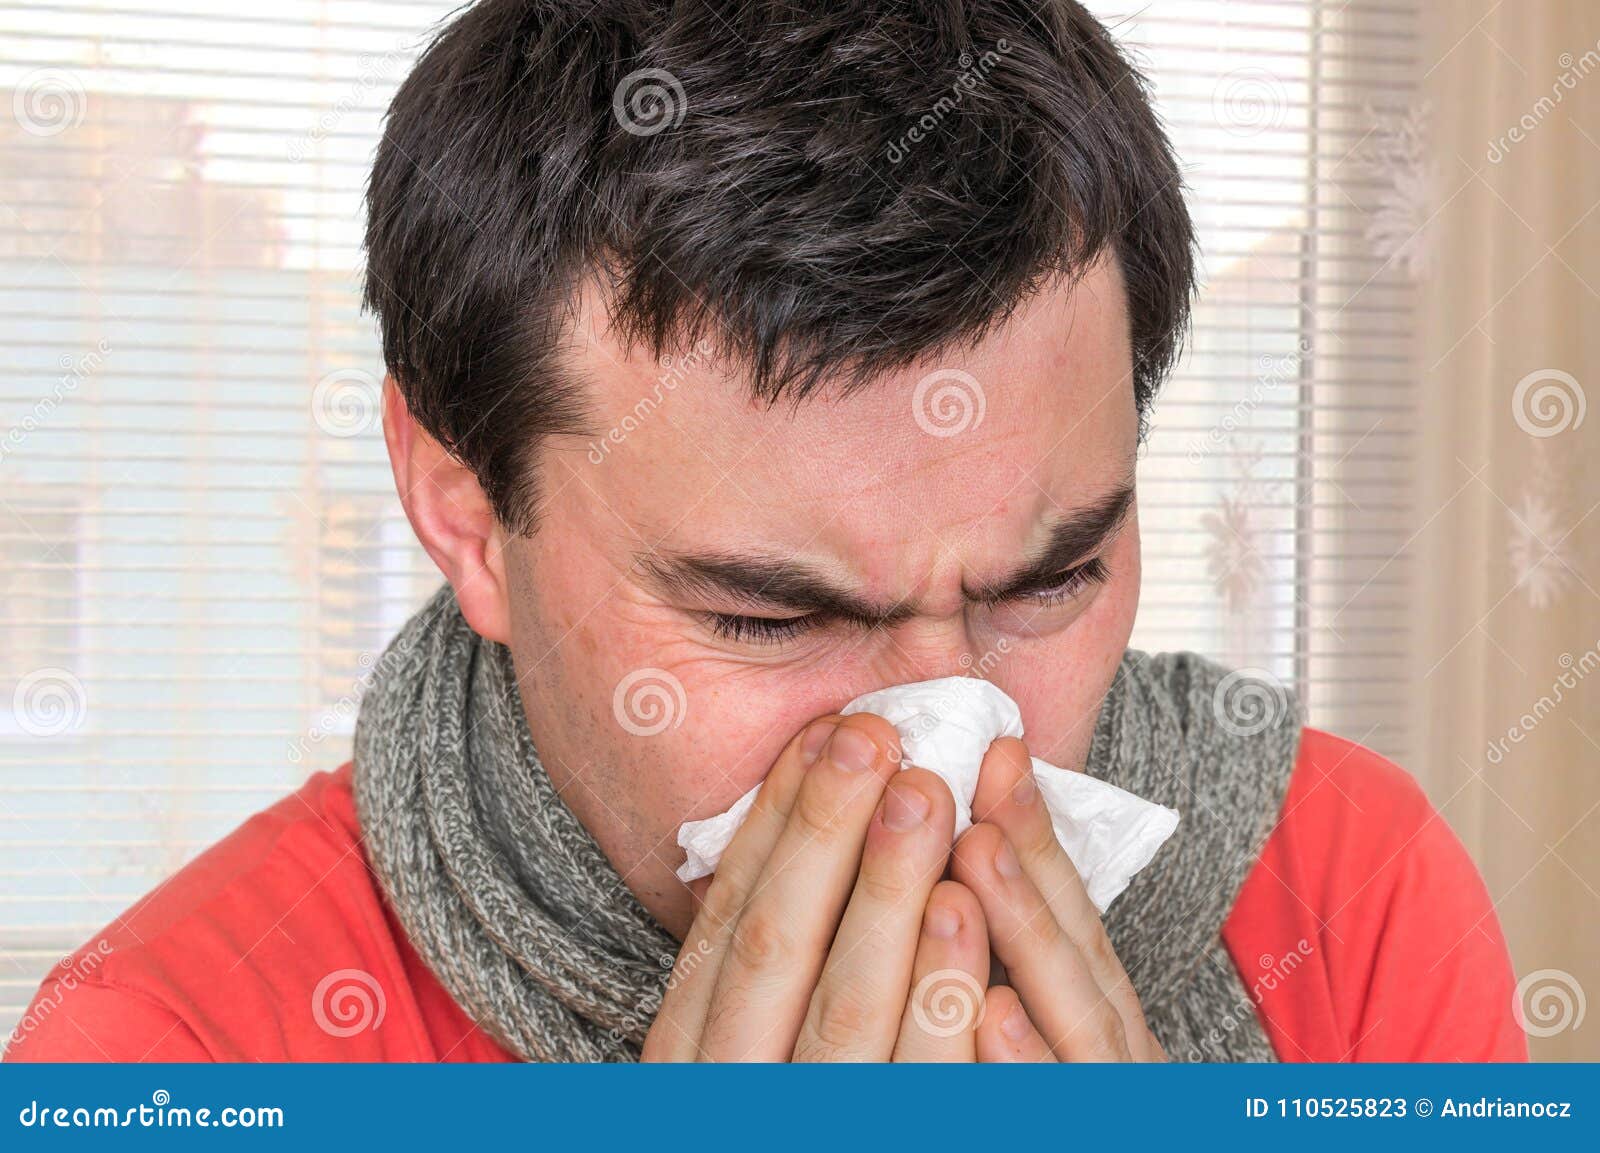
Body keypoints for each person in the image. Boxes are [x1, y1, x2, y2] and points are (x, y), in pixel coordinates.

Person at [8, 0, 1524, 1063]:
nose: (943, 741)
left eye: (1052, 577)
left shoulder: (1353, 890)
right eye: (766, 614)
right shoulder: (165, 1049)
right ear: (463, 510)